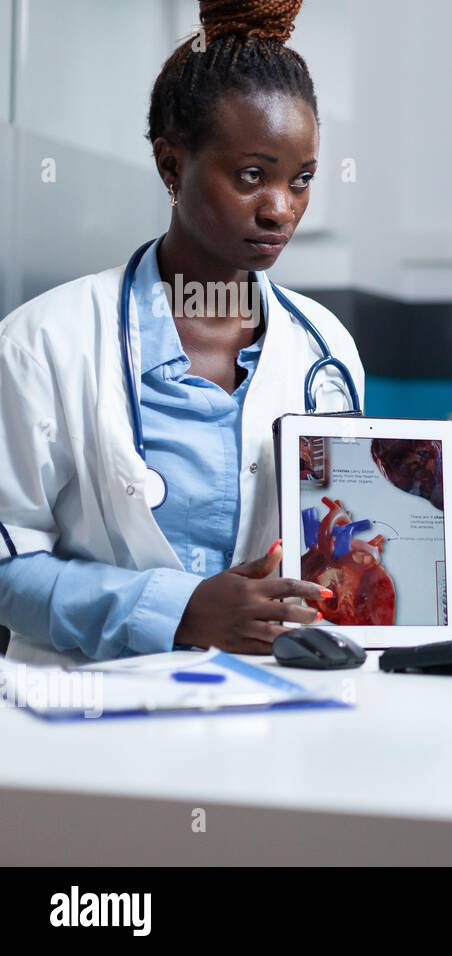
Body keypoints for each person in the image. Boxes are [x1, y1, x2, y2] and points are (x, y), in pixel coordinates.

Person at [0, 0, 364, 664]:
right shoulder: (42, 344)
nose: (280, 209)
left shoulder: (326, 350)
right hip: (84, 720)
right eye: (252, 175)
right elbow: (6, 564)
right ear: (172, 166)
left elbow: (336, 546)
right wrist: (179, 611)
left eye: (300, 180)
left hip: (272, 708)